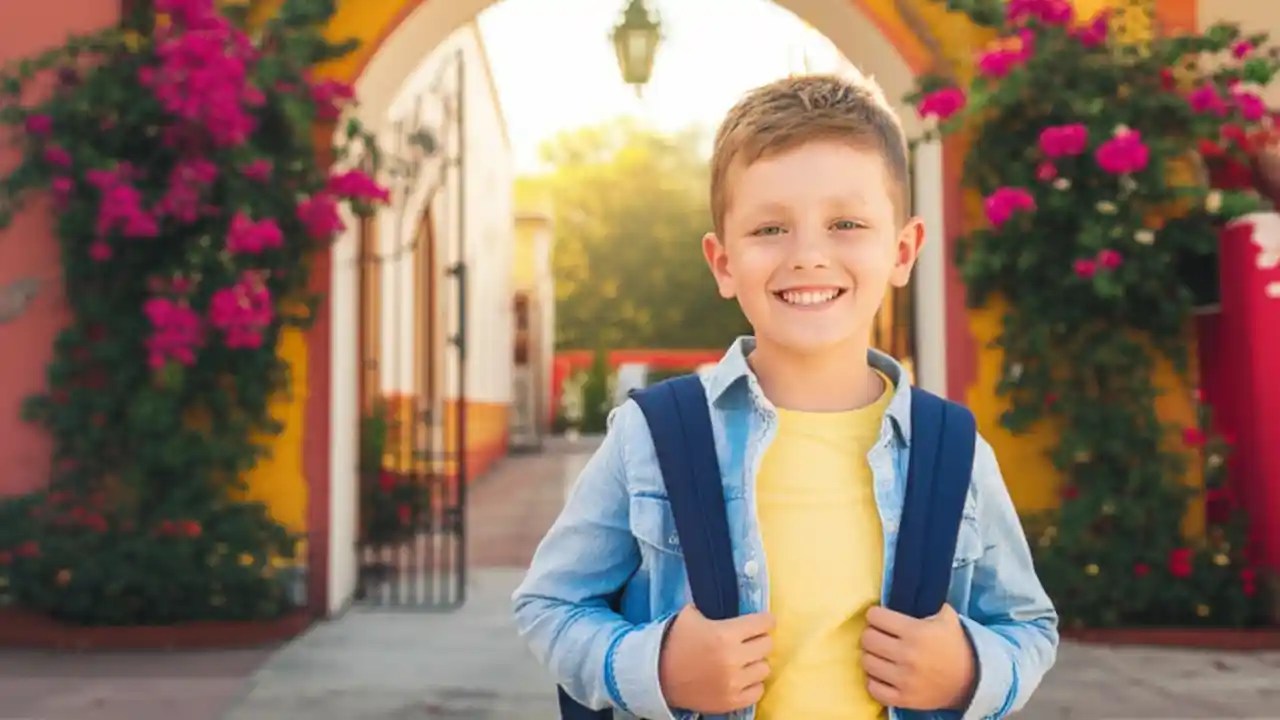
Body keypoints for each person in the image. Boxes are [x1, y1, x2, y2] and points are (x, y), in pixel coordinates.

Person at [512, 72, 1059, 720]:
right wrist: (656, 668)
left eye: (846, 223)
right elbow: (549, 605)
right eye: (770, 229)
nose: (807, 255)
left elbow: (1028, 625)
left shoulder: (953, 454)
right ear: (722, 263)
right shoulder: (654, 437)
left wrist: (968, 671)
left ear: (903, 250)